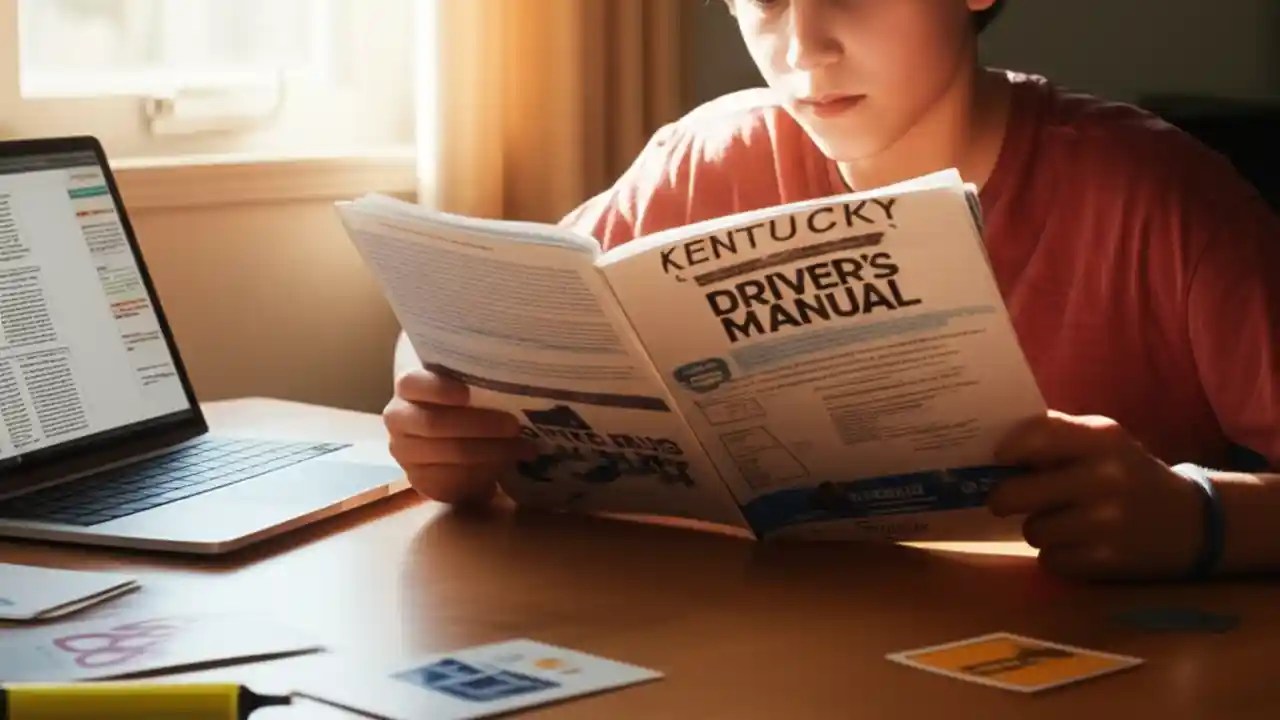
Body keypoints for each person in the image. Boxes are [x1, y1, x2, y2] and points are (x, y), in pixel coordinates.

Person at [384, 0, 1280, 581]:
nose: (802, 45)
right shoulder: (706, 159)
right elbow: (473, 319)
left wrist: (1203, 516)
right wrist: (443, 411)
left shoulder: (1161, 202)